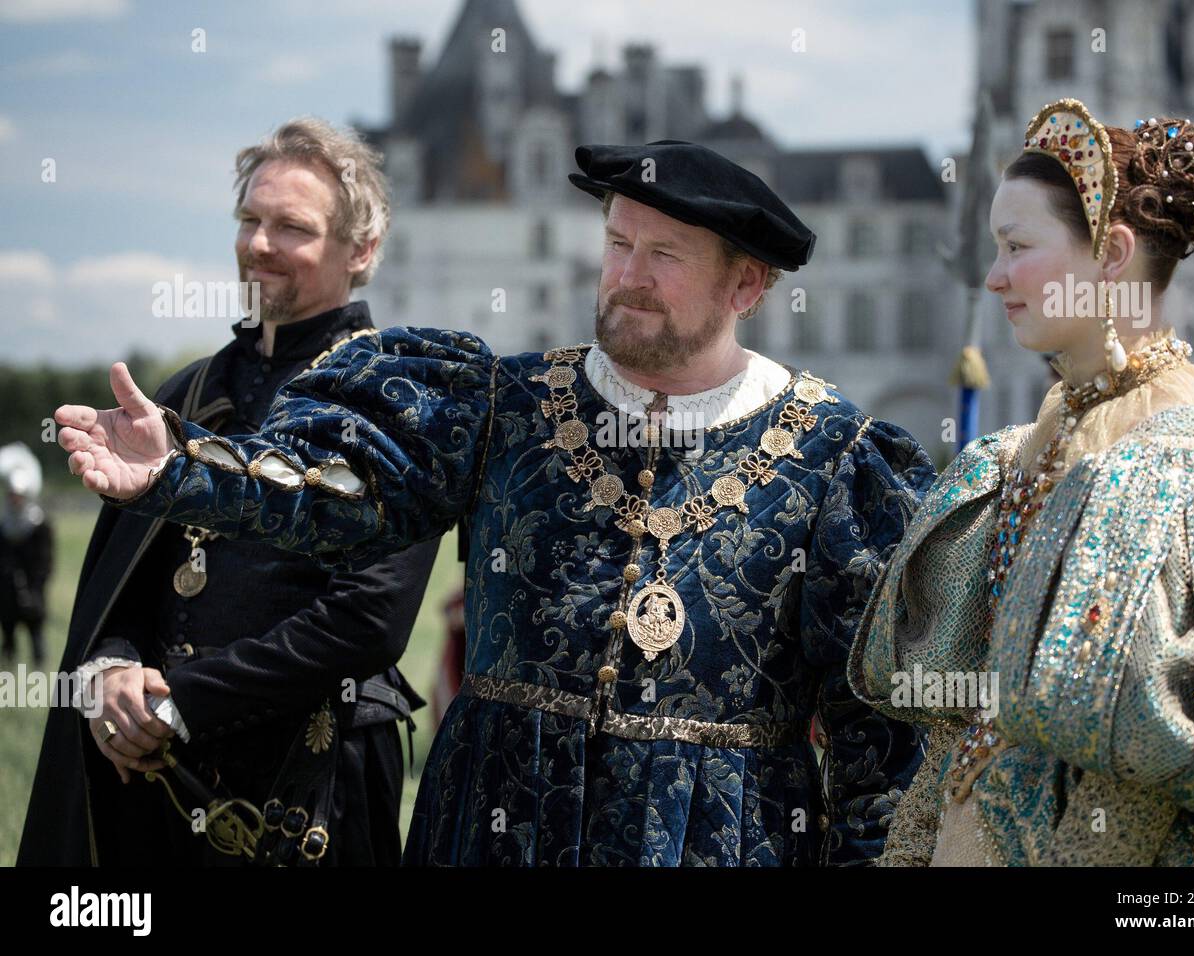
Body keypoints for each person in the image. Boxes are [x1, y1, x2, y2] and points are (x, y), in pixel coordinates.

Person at [55, 140, 936, 866]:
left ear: (746, 286)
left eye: (664, 256)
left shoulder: (836, 457)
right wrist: (185, 470)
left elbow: (880, 736)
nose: (627, 276)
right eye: (618, 244)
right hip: (494, 826)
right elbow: (339, 493)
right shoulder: (504, 404)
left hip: (722, 839)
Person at [850, 98, 1194, 865]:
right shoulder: (1053, 419)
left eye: (1017, 246)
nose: (995, 277)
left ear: (1112, 255)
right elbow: (972, 712)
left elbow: (1166, 735)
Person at [20, 118, 438, 867]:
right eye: (249, 219)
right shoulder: (190, 394)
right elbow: (124, 591)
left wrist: (181, 703)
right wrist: (110, 672)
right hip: (156, 780)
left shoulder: (395, 403)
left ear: (362, 249)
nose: (259, 244)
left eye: (292, 227)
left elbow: (368, 620)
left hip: (312, 785)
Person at [0, 444, 53, 667]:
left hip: (33, 589)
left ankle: (39, 668)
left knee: (35, 634)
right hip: (7, 591)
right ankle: (8, 668)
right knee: (8, 634)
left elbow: (45, 561)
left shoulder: (39, 524)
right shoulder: (4, 524)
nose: (15, 500)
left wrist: (35, 588)